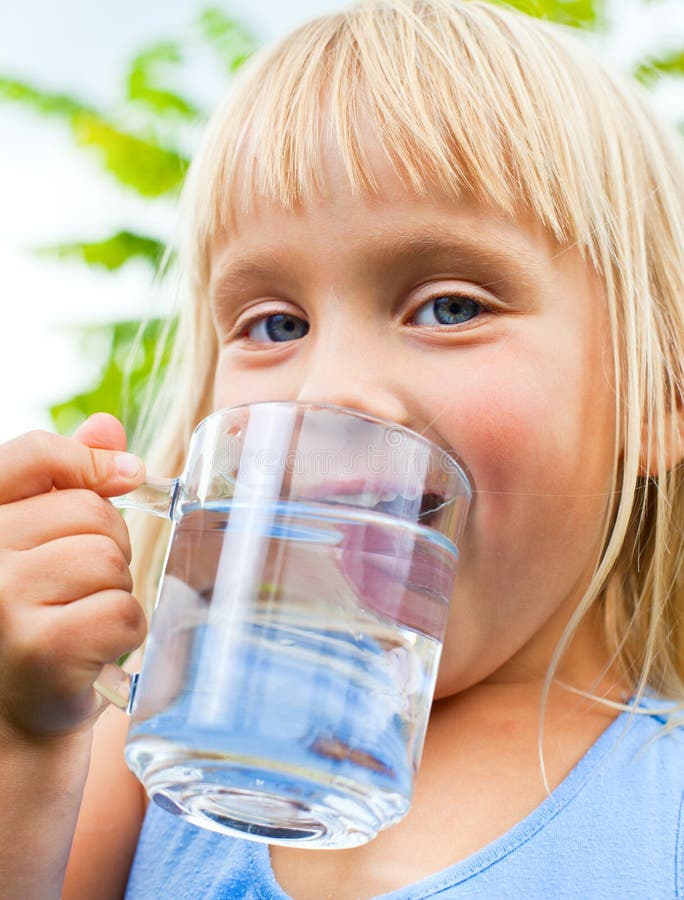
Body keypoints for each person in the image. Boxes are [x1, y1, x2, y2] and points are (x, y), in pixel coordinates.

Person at [2, 0, 684, 896]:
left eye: (450, 306)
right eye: (275, 323)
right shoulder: (128, 769)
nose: (325, 390)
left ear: (657, 397)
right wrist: (22, 746)